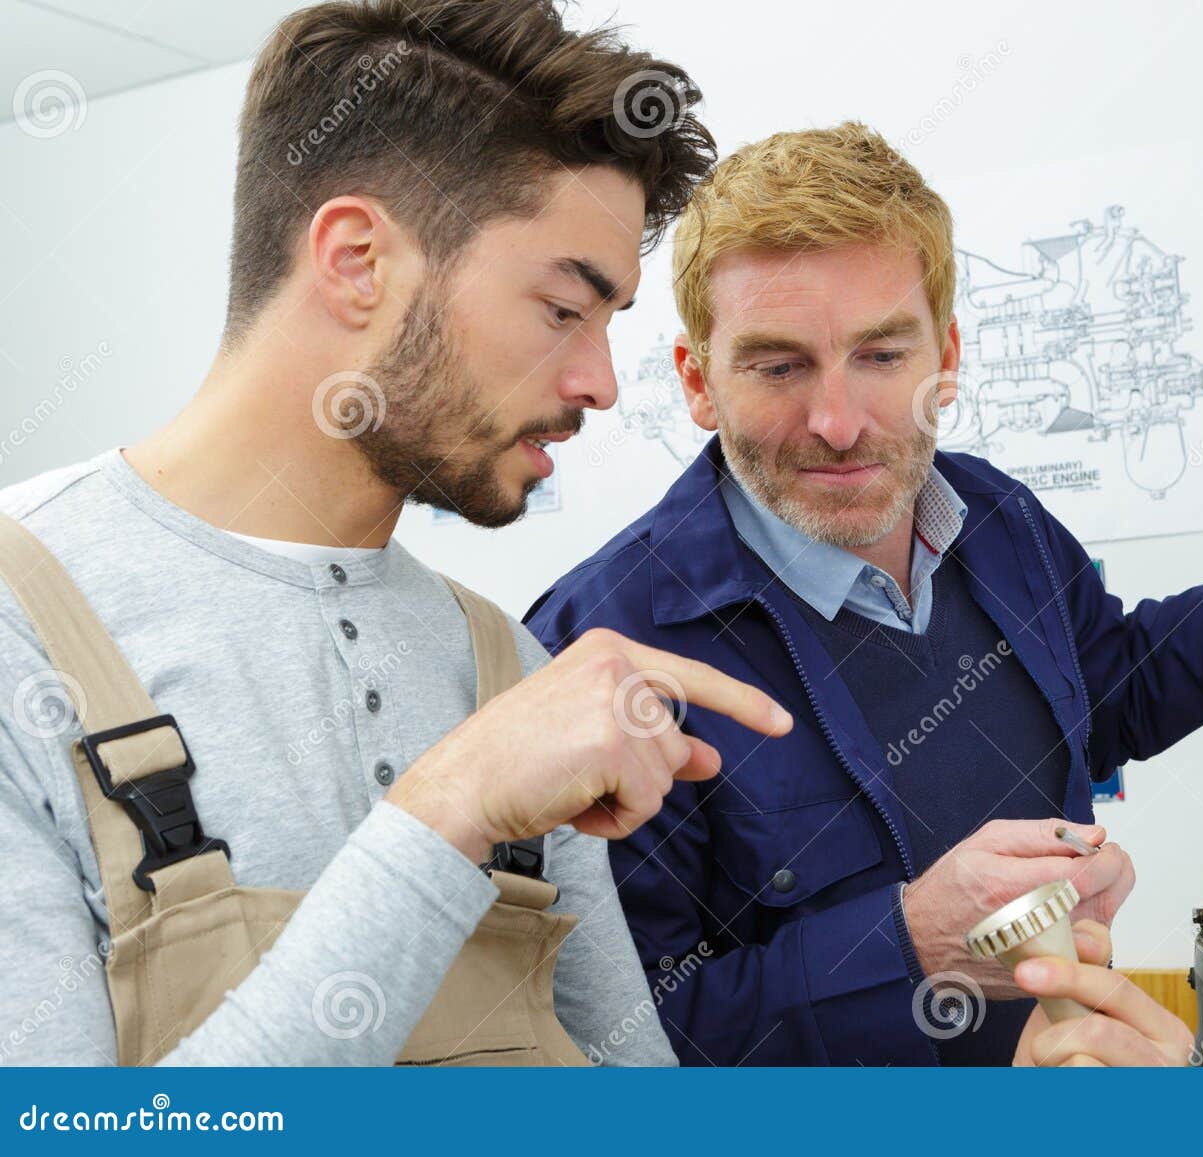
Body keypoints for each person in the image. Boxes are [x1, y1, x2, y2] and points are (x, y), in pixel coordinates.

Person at [0, 0, 798, 1067]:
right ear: (358, 260)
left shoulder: (504, 664)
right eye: (565, 308)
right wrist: (450, 806)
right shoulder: (24, 633)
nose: (599, 383)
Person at [527, 122, 1203, 1066]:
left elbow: (1108, 687)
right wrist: (907, 945)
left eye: (881, 355)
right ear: (698, 380)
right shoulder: (595, 648)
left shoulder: (998, 516)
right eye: (779, 365)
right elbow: (612, 1038)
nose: (838, 422)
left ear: (944, 356)